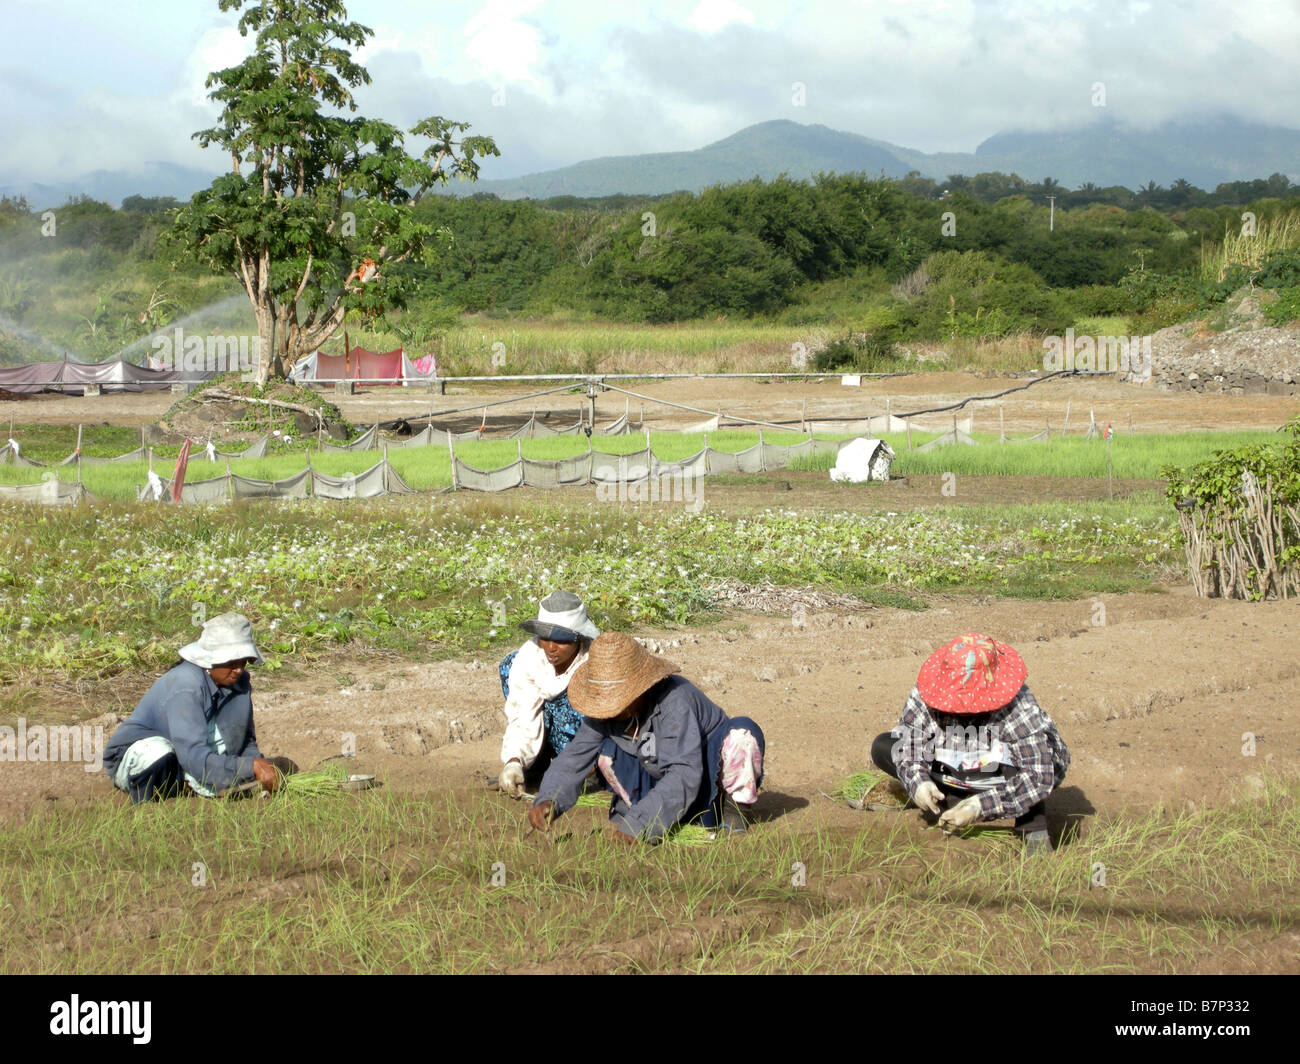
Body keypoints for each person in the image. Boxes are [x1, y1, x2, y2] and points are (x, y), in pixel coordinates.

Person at [527, 632, 765, 844]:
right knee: (607, 751)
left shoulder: (675, 702)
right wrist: (549, 800)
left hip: (705, 778)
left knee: (742, 734)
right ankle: (644, 813)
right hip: (658, 781)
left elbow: (684, 773)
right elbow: (574, 758)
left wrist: (639, 824)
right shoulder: (603, 714)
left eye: (618, 701)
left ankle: (734, 808)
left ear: (641, 689)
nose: (610, 711)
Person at [870, 632, 1069, 855]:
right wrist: (918, 782)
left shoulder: (1018, 703)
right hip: (955, 766)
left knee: (1038, 763)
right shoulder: (927, 689)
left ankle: (1032, 826)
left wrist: (980, 807)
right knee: (885, 746)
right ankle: (948, 800)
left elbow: (1038, 774)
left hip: (1000, 771)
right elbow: (910, 740)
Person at [103, 613, 296, 803]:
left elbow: (245, 741)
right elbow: (194, 756)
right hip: (138, 760)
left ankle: (189, 785)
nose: (239, 669)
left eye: (243, 661)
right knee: (158, 753)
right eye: (231, 662)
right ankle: (151, 806)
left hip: (186, 755)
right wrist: (250, 767)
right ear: (209, 660)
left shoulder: (240, 682)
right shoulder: (186, 685)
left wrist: (258, 774)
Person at [497, 591, 599, 797]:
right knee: (509, 664)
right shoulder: (531, 656)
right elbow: (523, 714)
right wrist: (514, 761)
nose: (551, 648)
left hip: (587, 751)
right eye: (545, 638)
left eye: (561, 641)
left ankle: (586, 774)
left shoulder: (595, 663)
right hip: (549, 738)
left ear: (579, 639)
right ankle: (535, 765)